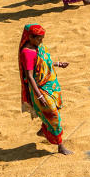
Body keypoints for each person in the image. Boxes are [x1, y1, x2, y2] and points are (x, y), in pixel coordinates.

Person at [19, 23, 71, 154]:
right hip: (40, 89)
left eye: (42, 39)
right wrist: (39, 95)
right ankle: (60, 145)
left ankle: (44, 130)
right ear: (30, 37)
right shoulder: (27, 53)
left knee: (54, 111)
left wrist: (58, 64)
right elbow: (30, 76)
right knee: (53, 116)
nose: (41, 41)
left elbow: (43, 63)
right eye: (38, 39)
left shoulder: (38, 47)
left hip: (50, 84)